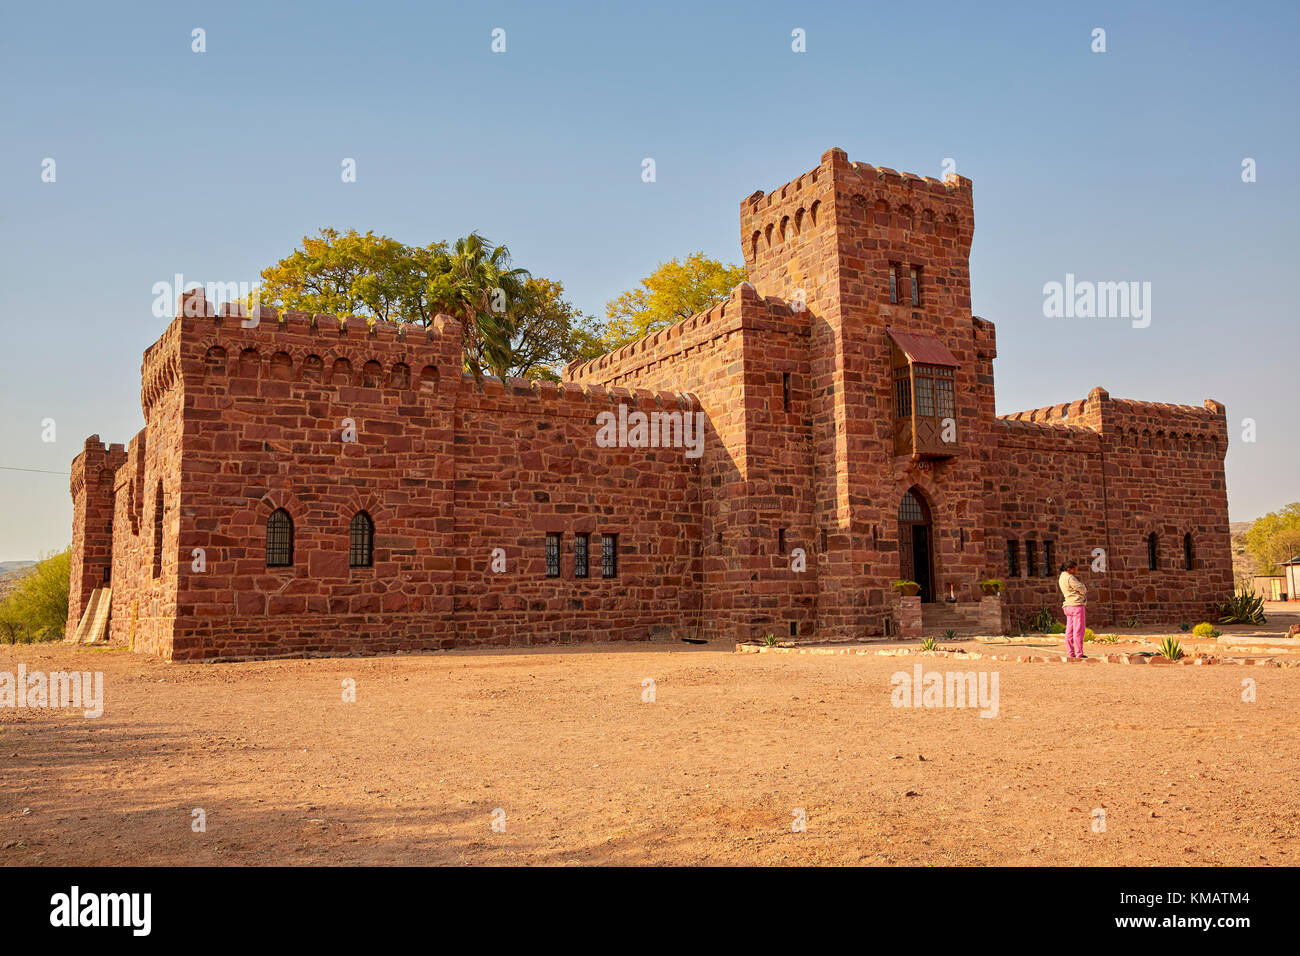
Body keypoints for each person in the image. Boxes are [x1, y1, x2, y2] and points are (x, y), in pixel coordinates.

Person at [1058, 560, 1087, 660]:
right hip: (1076, 605)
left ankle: (1071, 653)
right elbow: (1081, 588)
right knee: (1078, 630)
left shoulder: (1061, 577)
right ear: (1068, 569)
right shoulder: (1070, 578)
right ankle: (1079, 653)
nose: (1076, 570)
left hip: (1068, 606)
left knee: (1069, 631)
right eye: (1074, 568)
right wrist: (1084, 588)